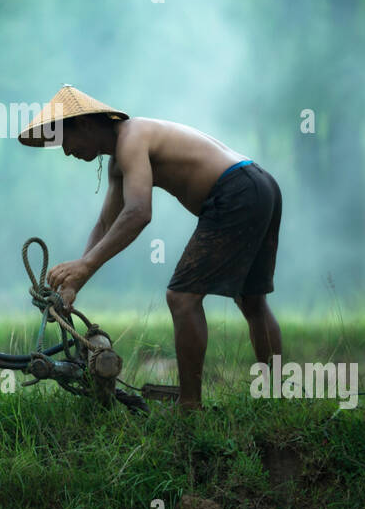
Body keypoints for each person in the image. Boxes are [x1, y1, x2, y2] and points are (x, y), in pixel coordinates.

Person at [18, 84, 282, 411]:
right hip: (260, 184)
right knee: (253, 301)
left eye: (64, 140)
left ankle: (189, 407)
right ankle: (277, 397)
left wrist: (85, 266)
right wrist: (76, 280)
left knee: (182, 298)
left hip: (236, 190)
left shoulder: (131, 137)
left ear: (84, 125)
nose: (65, 151)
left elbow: (139, 213)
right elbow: (104, 225)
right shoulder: (121, 156)